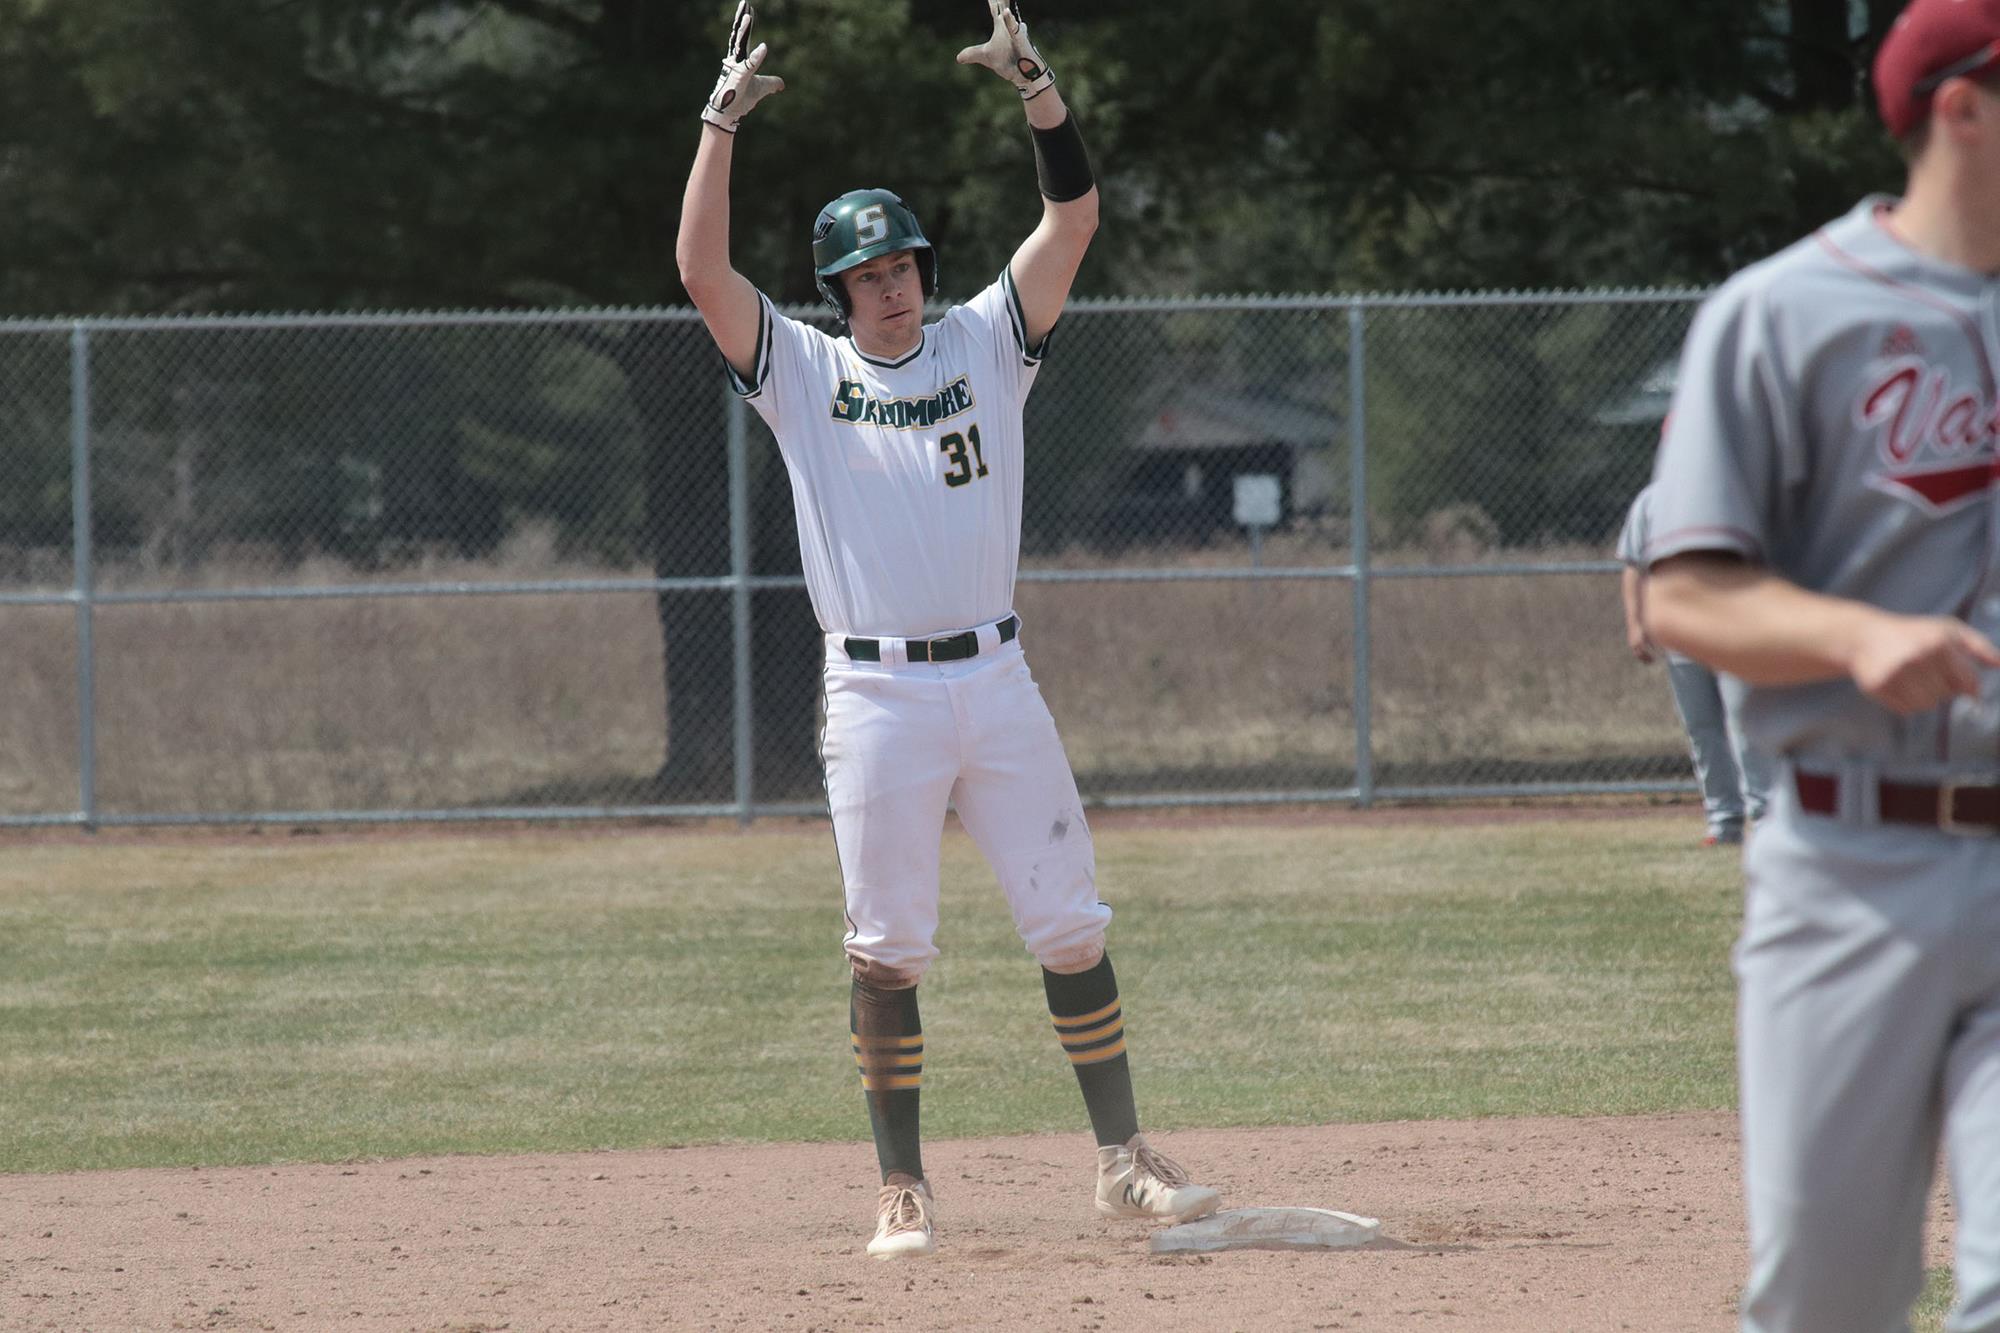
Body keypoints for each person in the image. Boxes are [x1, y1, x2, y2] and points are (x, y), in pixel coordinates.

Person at [675, 0, 1221, 1262]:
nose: (891, 290)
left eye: (903, 266)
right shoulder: (804, 376)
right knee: (887, 947)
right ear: (836, 292)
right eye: (867, 276)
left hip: (997, 675)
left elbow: (1073, 218)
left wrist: (1038, 88)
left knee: (1069, 924)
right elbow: (703, 270)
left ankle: (1121, 1161)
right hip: (874, 696)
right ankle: (901, 1186)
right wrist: (717, 126)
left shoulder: (985, 341)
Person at [1643, 1, 2000, 1327]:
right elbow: (1683, 593)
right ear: (1960, 108)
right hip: (1854, 866)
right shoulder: (1783, 315)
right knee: (1830, 1303)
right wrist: (1856, 634)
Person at [1616, 483, 1770, 845]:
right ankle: (1724, 821)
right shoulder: (1654, 500)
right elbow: (1634, 565)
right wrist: (1636, 624)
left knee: (1745, 723)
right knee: (1702, 728)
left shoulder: (1738, 489)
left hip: (1736, 631)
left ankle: (1764, 819)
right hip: (1683, 634)